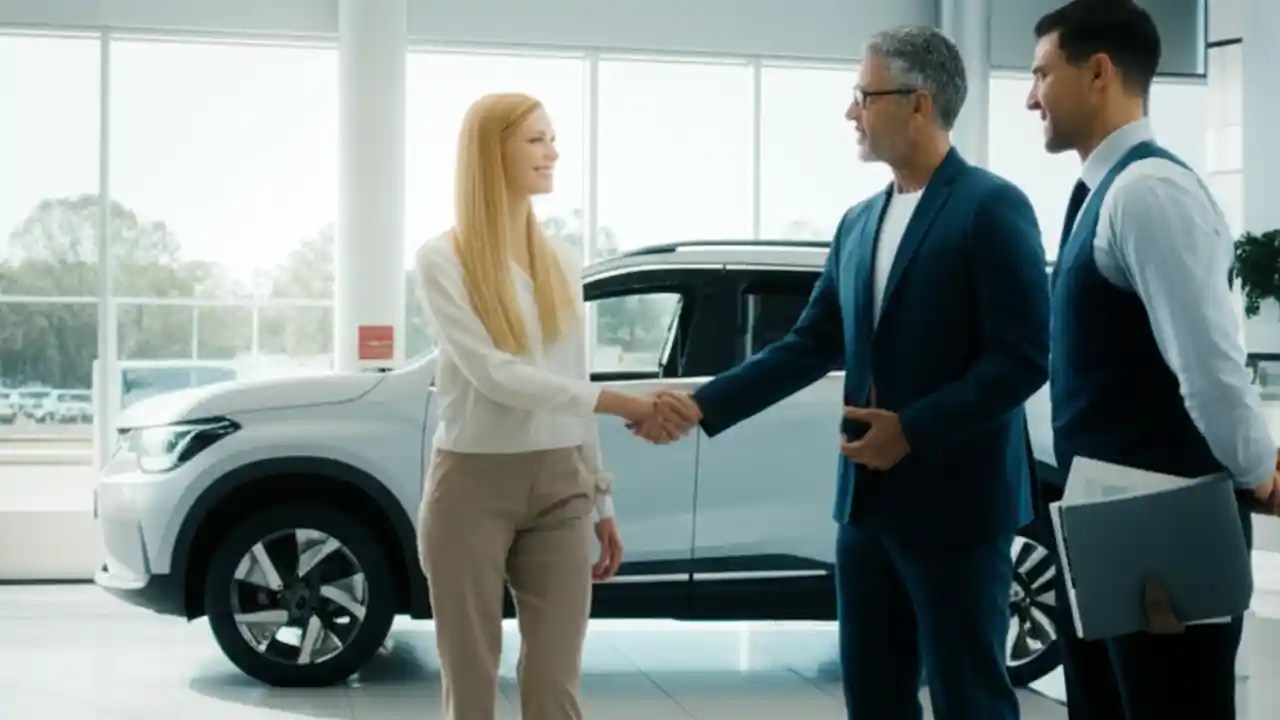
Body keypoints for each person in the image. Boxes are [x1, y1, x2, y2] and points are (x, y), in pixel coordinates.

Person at [634, 26, 1049, 720]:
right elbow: (811, 342)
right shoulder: (859, 221)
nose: (851, 113)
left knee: (967, 697)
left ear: (917, 103)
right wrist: (702, 405)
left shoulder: (990, 206)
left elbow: (1023, 357)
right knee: (875, 698)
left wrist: (912, 432)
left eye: (864, 95)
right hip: (865, 508)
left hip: (958, 506)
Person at [1024, 2, 1280, 718]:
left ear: (1098, 71)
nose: (1030, 94)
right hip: (1109, 530)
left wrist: (1260, 470)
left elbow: (1209, 366)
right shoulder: (1102, 193)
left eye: (1043, 74)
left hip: (1165, 536)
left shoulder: (1149, 192)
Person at [413, 92, 660, 720]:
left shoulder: (560, 261)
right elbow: (495, 376)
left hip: (559, 485)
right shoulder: (441, 260)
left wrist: (601, 498)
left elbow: (567, 380)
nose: (553, 152)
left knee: (555, 688)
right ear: (490, 151)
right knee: (470, 688)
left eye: (550, 138)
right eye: (535, 139)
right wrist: (615, 400)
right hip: (471, 485)